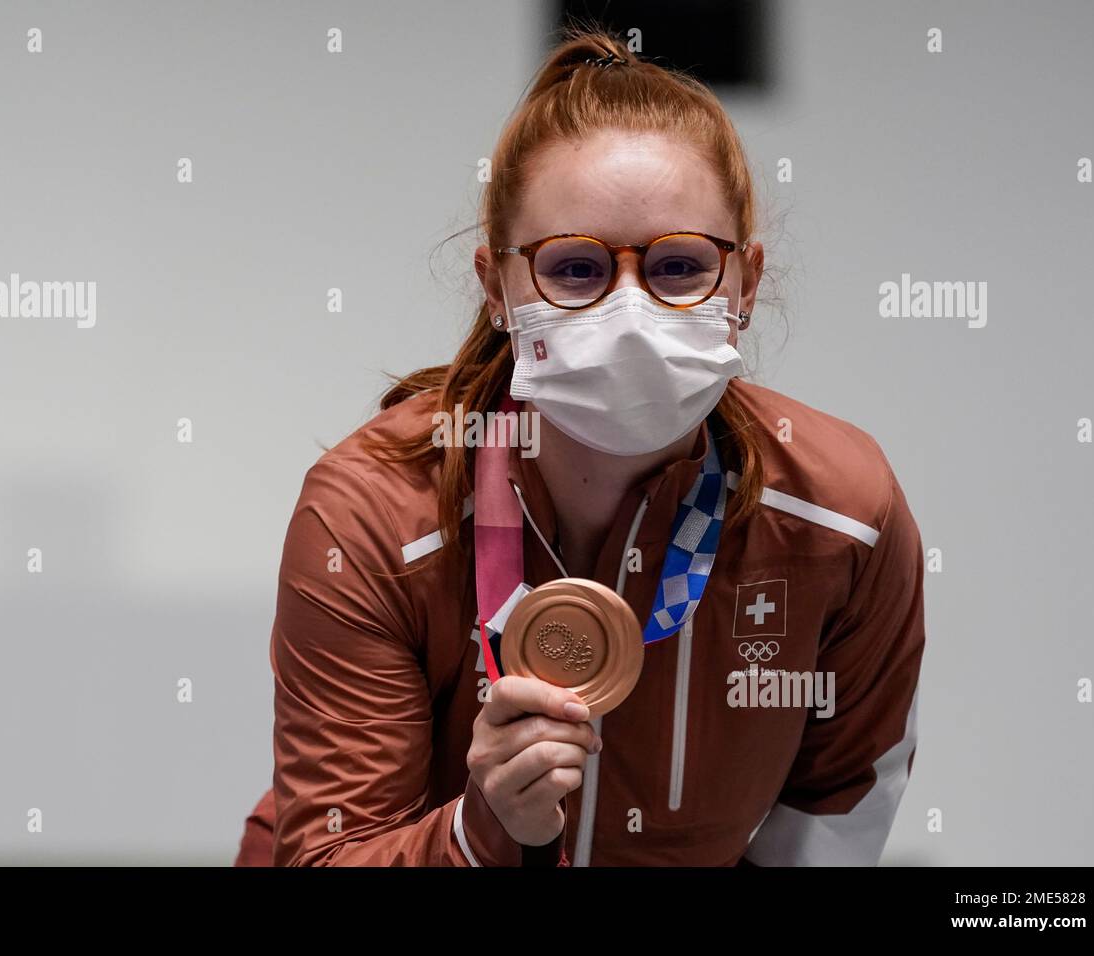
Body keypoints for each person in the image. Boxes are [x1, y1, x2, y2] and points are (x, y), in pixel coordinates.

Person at [235, 27, 925, 867]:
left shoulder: (842, 514)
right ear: (497, 289)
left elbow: (836, 812)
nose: (629, 313)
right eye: (574, 270)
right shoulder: (374, 515)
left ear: (746, 282)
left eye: (678, 269)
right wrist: (477, 832)